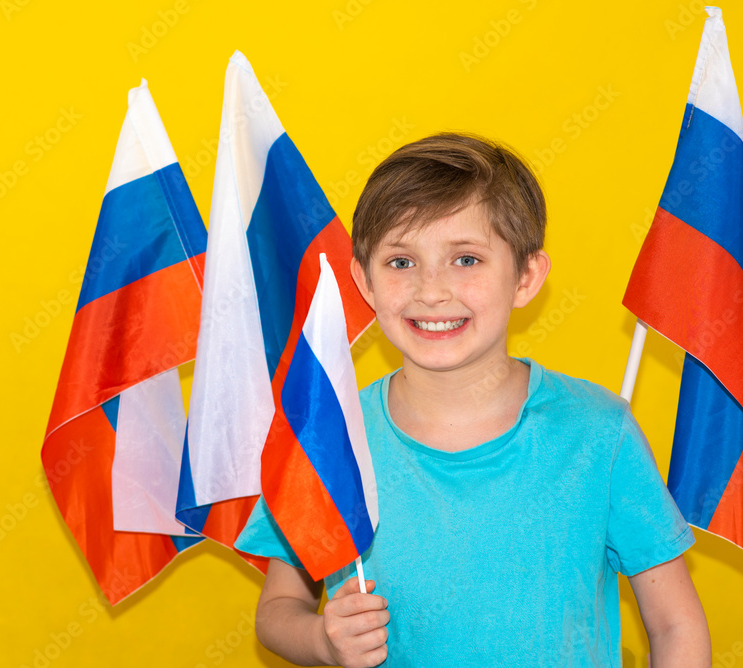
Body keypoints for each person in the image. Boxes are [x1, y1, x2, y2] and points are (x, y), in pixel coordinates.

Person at [234, 132, 711, 666]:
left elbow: (674, 624)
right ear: (363, 282)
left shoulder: (599, 432)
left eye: (465, 259)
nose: (431, 290)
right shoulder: (330, 438)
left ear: (526, 276)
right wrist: (324, 640)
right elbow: (278, 609)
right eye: (400, 262)